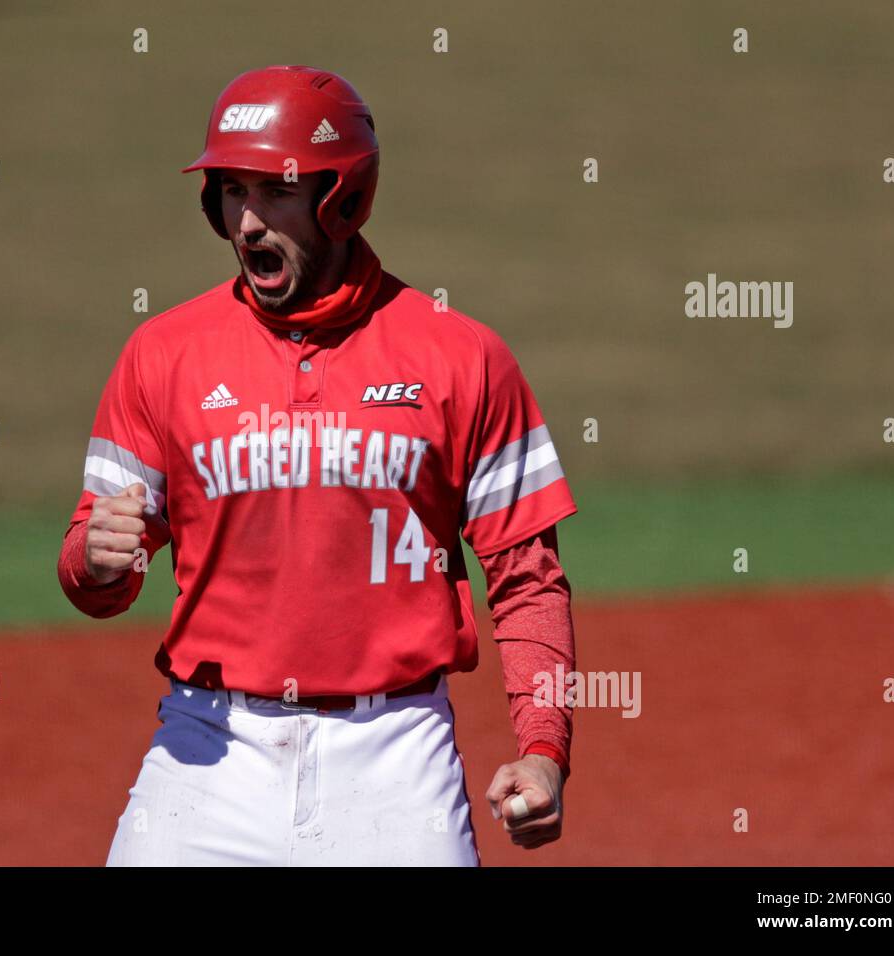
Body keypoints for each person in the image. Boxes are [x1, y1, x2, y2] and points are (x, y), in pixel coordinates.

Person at [58, 65, 578, 866]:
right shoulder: (162, 355)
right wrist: (95, 561)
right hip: (208, 752)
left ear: (343, 198)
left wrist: (543, 749)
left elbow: (527, 579)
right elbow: (95, 580)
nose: (248, 223)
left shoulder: (461, 357)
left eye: (277, 192)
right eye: (233, 191)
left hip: (397, 763)